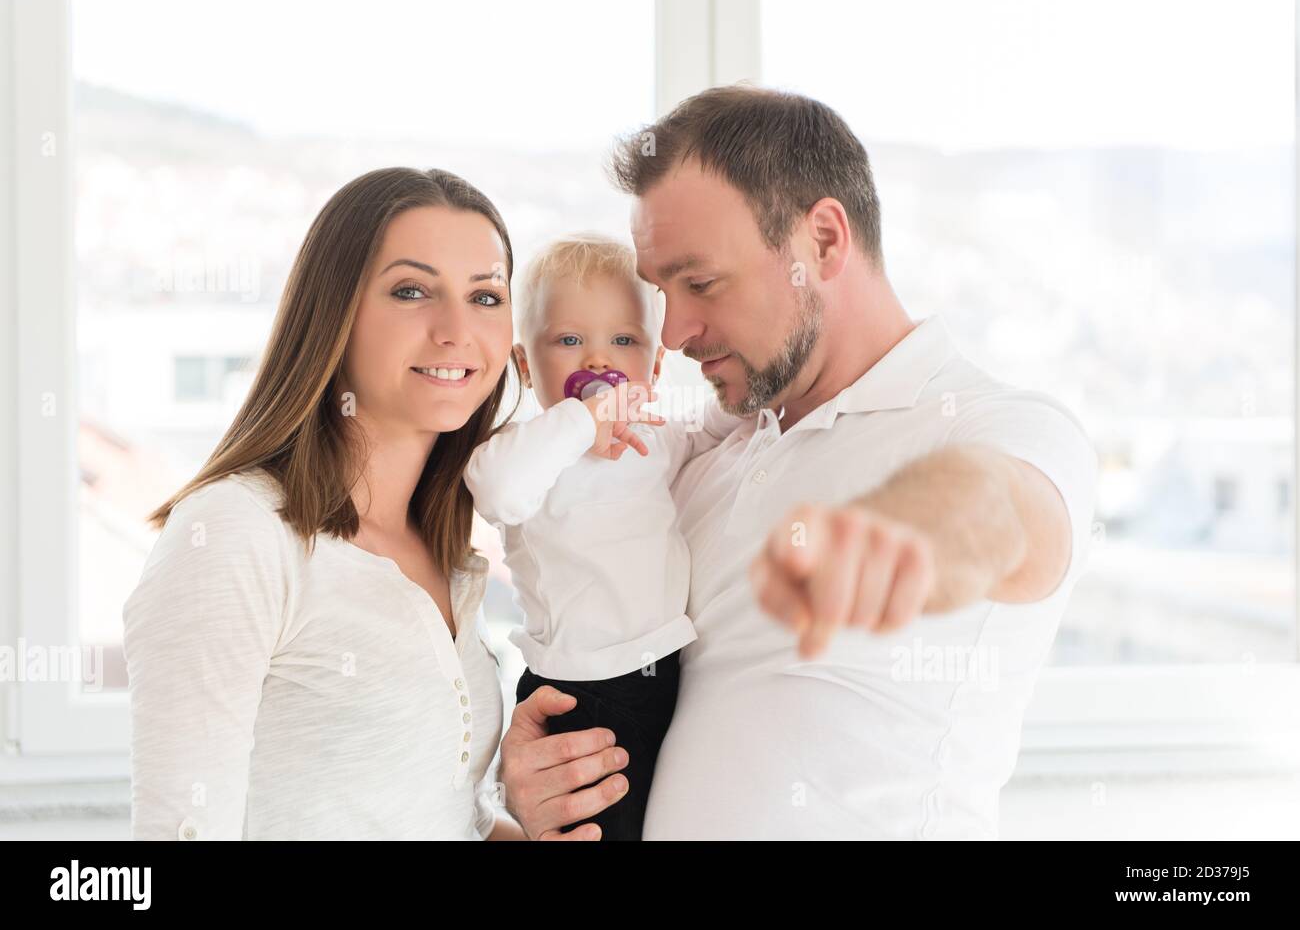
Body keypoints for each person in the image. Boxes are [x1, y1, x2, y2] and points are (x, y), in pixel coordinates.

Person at [500, 85, 1098, 839]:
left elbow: (1012, 517)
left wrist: (916, 524)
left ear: (821, 240)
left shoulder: (990, 424)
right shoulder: (703, 452)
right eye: (660, 295)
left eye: (701, 282)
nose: (675, 332)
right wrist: (540, 780)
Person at [124, 167, 532, 839]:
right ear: (334, 314)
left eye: (485, 296)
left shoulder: (447, 548)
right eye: (412, 290)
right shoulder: (235, 534)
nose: (457, 328)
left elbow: (440, 815)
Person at [464, 234, 745, 839]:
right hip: (579, 690)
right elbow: (498, 492)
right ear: (522, 364)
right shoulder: (529, 450)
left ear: (657, 364)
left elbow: (729, 417)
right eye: (568, 341)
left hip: (666, 671)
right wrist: (582, 420)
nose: (597, 361)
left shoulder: (659, 437)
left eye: (624, 340)